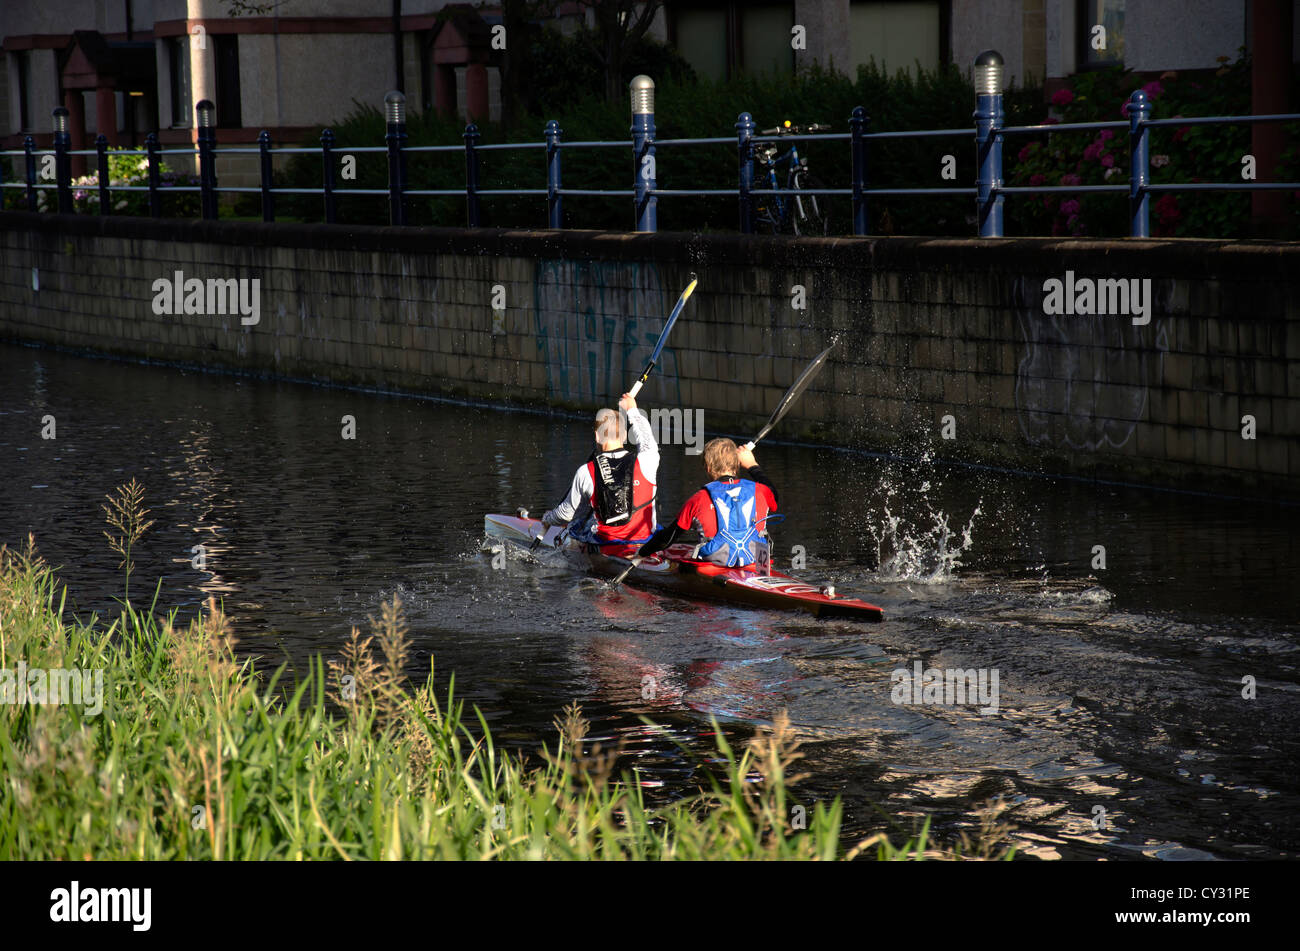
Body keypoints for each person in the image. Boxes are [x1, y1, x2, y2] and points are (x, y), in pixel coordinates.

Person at [636, 437, 778, 568]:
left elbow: (668, 538)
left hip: (717, 562)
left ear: (708, 468)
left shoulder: (698, 499)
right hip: (758, 559)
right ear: (738, 465)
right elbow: (773, 494)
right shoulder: (761, 490)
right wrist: (752, 465)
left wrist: (641, 554)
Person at [541, 393, 659, 550]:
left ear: (597, 437)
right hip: (645, 544)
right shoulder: (647, 460)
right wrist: (632, 409)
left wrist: (548, 519)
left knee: (577, 527)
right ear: (624, 437)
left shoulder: (585, 472)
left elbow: (565, 515)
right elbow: (645, 437)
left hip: (607, 546)